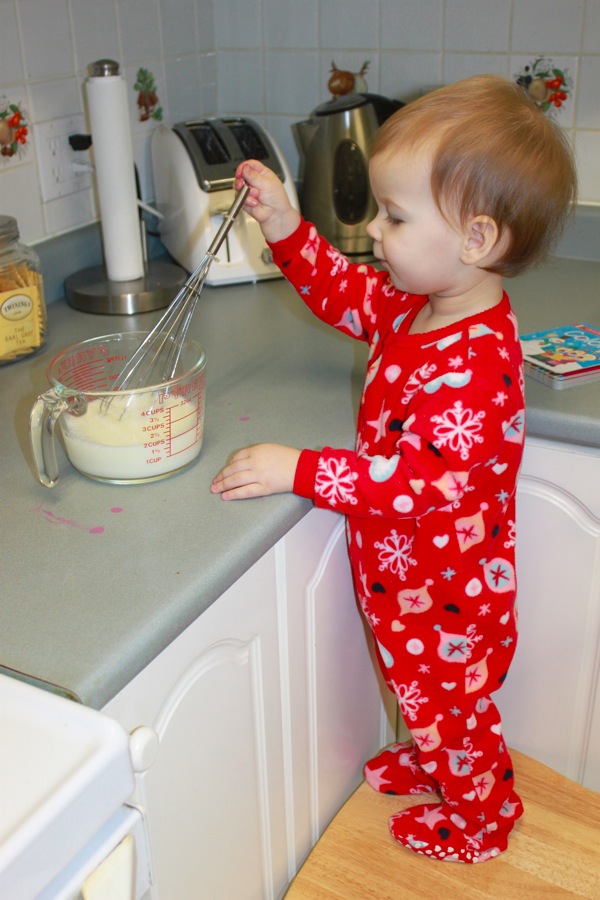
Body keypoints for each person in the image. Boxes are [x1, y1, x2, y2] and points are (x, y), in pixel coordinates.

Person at [211, 75, 577, 863]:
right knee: (428, 701)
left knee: (456, 712)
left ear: (476, 239)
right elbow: (345, 293)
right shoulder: (421, 303)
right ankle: (440, 763)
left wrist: (298, 468)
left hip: (450, 599)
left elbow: (409, 484)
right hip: (412, 580)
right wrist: (286, 227)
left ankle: (482, 819)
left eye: (395, 216)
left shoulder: (477, 371)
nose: (374, 230)